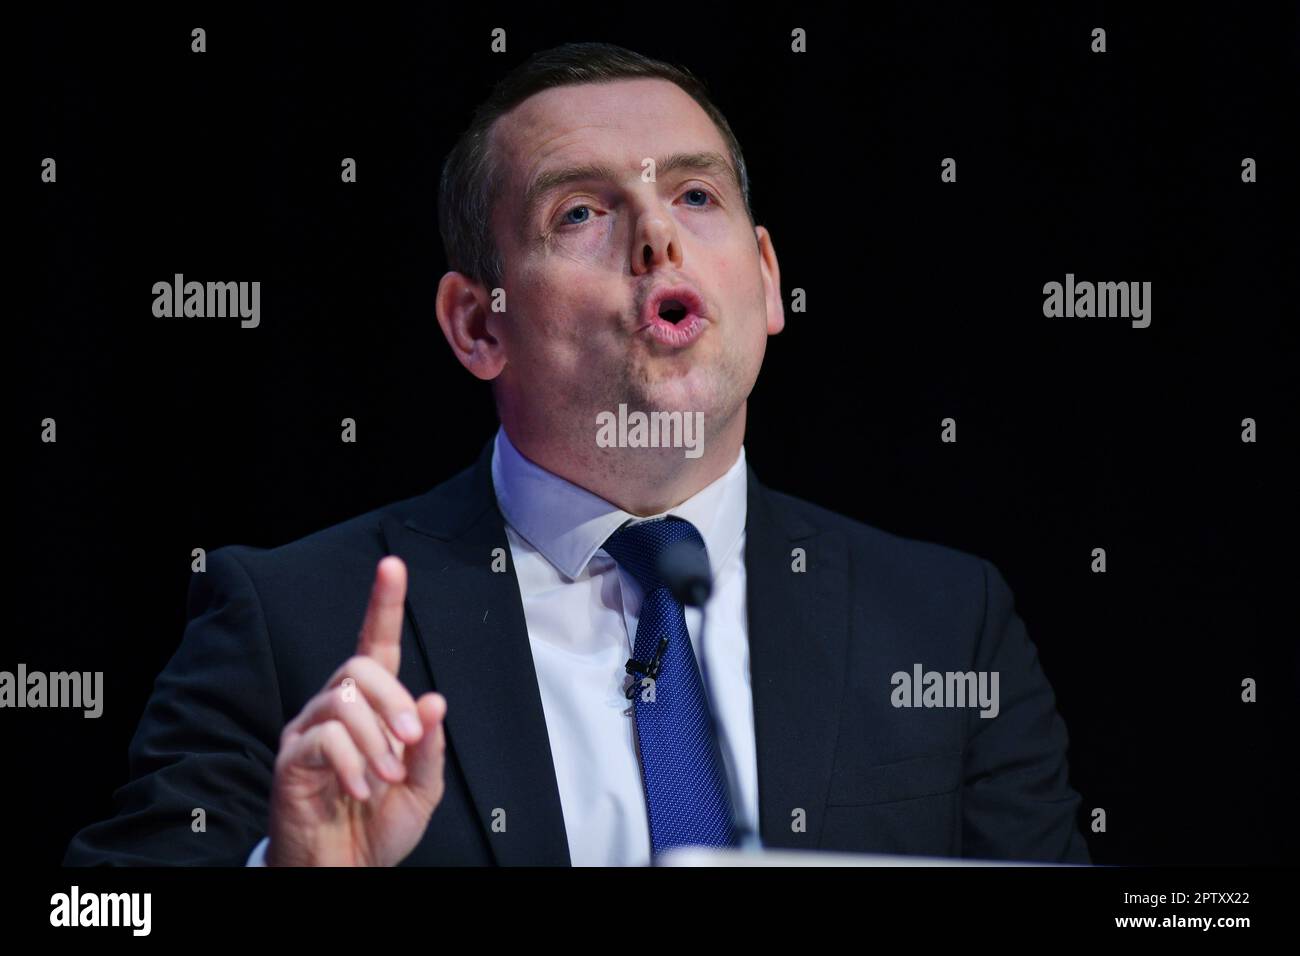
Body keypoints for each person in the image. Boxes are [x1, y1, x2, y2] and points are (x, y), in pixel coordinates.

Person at [65, 41, 1090, 867]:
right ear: (476, 324)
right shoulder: (291, 621)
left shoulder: (946, 622)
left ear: (768, 282)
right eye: (582, 212)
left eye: (695, 196)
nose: (657, 235)